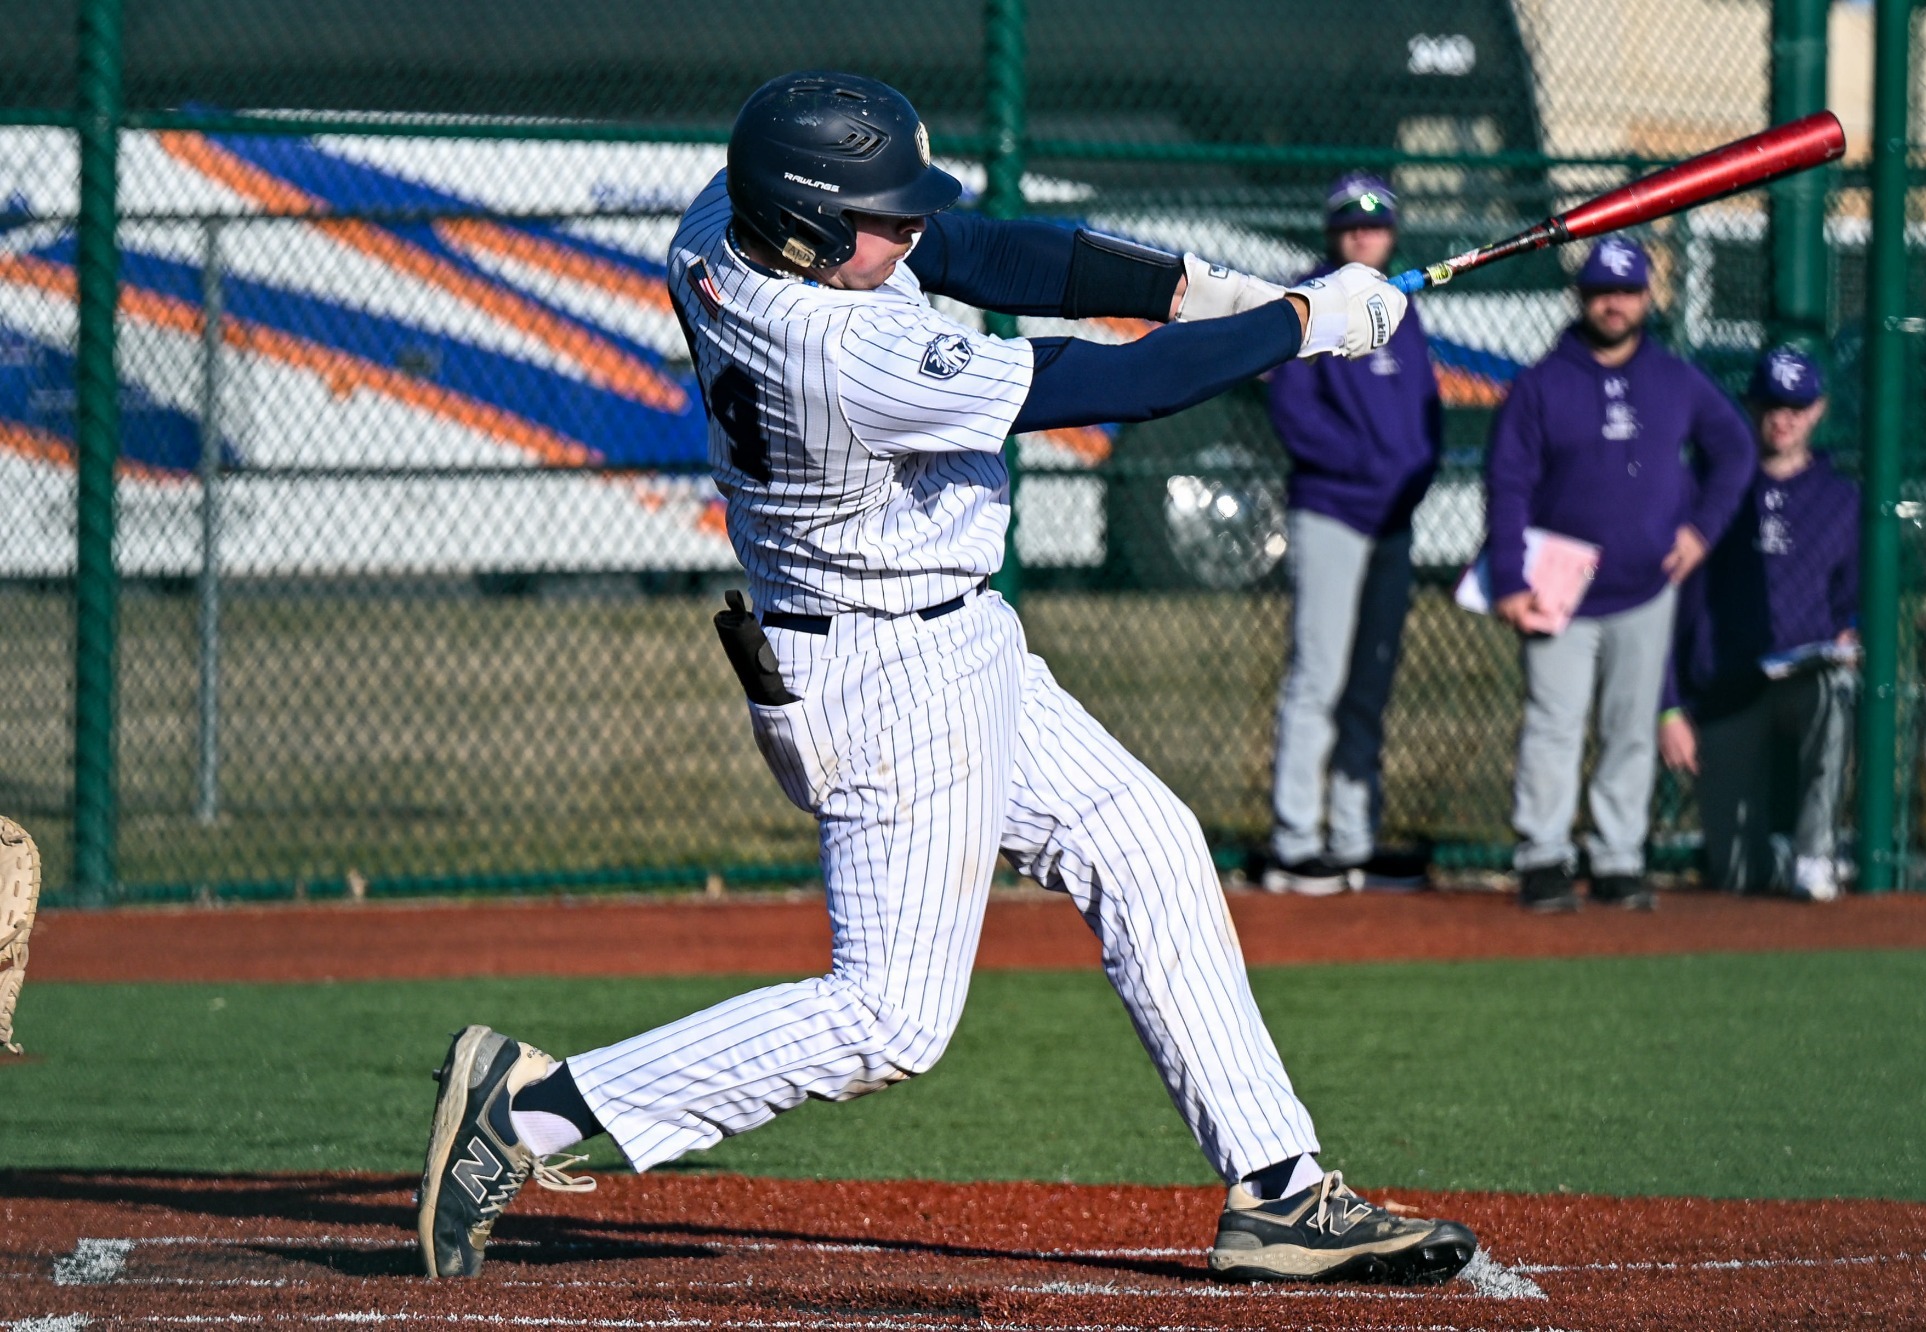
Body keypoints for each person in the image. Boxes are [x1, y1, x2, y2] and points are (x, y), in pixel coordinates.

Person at [414, 71, 1475, 1286]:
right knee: (890, 1020)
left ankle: (1277, 1190)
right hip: (885, 673)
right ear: (809, 230)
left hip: (946, 634)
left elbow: (977, 245)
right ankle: (531, 1112)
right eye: (882, 217)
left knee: (1145, 843)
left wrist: (1194, 289)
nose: (910, 232)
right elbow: (1109, 386)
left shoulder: (728, 218)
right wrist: (1302, 325)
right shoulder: (842, 347)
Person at [1485, 236, 1755, 912]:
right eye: (1603, 291)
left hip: (1645, 585)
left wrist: (1701, 531)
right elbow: (1508, 483)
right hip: (1560, 586)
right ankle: (1543, 858)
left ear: (1647, 297)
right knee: (1554, 723)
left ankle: (1617, 856)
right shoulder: (1543, 382)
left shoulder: (1675, 378)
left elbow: (1735, 449)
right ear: (1582, 297)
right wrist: (1510, 578)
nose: (1615, 303)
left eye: (1628, 291)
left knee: (1632, 726)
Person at [1262, 174, 1441, 894]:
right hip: (1334, 511)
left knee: (1370, 680)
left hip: (1393, 520)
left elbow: (1426, 407)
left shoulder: (1400, 304)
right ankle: (1295, 841)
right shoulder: (1311, 301)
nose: (1363, 236)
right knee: (1320, 675)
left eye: (1375, 225)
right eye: (1350, 226)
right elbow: (1295, 415)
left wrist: (1411, 478)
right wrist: (1373, 469)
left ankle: (1353, 838)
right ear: (1331, 233)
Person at [1657, 347, 1859, 901]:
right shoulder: (1712, 488)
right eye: (1772, 404)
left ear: (1818, 410)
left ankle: (1816, 854)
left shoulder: (1840, 497)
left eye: (1796, 406)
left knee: (1835, 688)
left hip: (1803, 679)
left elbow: (1852, 600)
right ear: (1750, 406)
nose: (1783, 418)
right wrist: (1670, 706)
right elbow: (1669, 603)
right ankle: (1779, 857)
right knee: (1736, 876)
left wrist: (1850, 633)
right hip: (1726, 685)